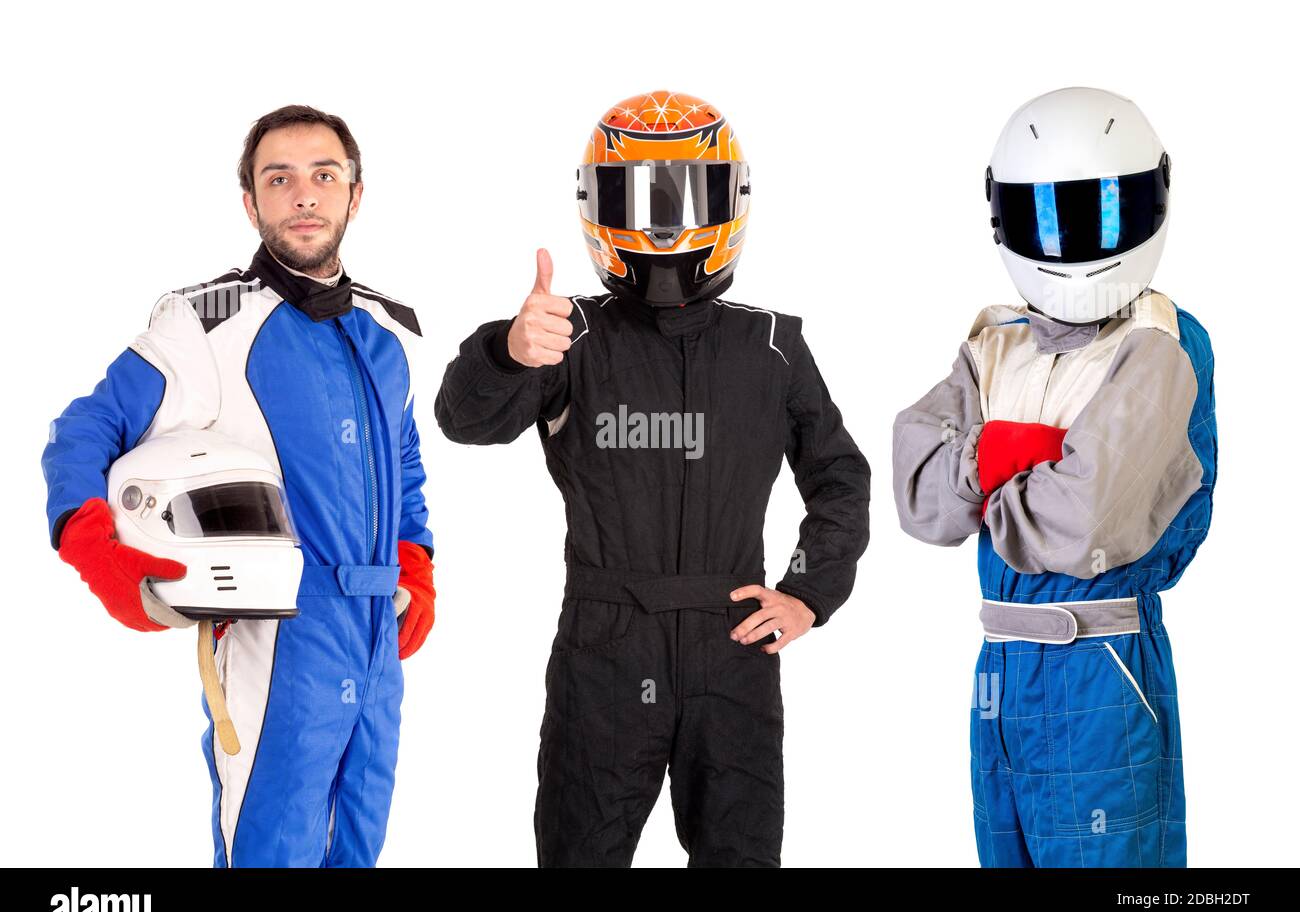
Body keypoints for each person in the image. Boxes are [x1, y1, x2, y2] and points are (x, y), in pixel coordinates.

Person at [436, 90, 870, 867]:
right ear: (596, 206)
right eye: (633, 196)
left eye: (683, 194)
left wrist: (810, 591)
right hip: (606, 645)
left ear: (728, 201)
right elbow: (464, 419)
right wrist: (506, 348)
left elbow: (839, 476)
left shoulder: (771, 347)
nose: (661, 220)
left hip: (733, 640)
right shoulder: (567, 334)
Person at [42, 104, 436, 867]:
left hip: (375, 635)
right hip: (275, 632)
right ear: (251, 203)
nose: (304, 195)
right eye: (278, 178)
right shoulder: (206, 325)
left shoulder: (385, 338)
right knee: (269, 851)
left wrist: (414, 569)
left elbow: (407, 471)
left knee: (356, 852)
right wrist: (105, 557)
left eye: (325, 176)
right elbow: (81, 433)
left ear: (356, 195)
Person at [892, 87, 1216, 867]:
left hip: (1100, 672)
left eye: (1102, 212)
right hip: (999, 674)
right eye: (1048, 216)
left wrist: (978, 471)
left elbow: (1082, 521)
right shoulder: (994, 343)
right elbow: (916, 496)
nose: (1074, 241)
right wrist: (1009, 451)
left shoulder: (1161, 343)